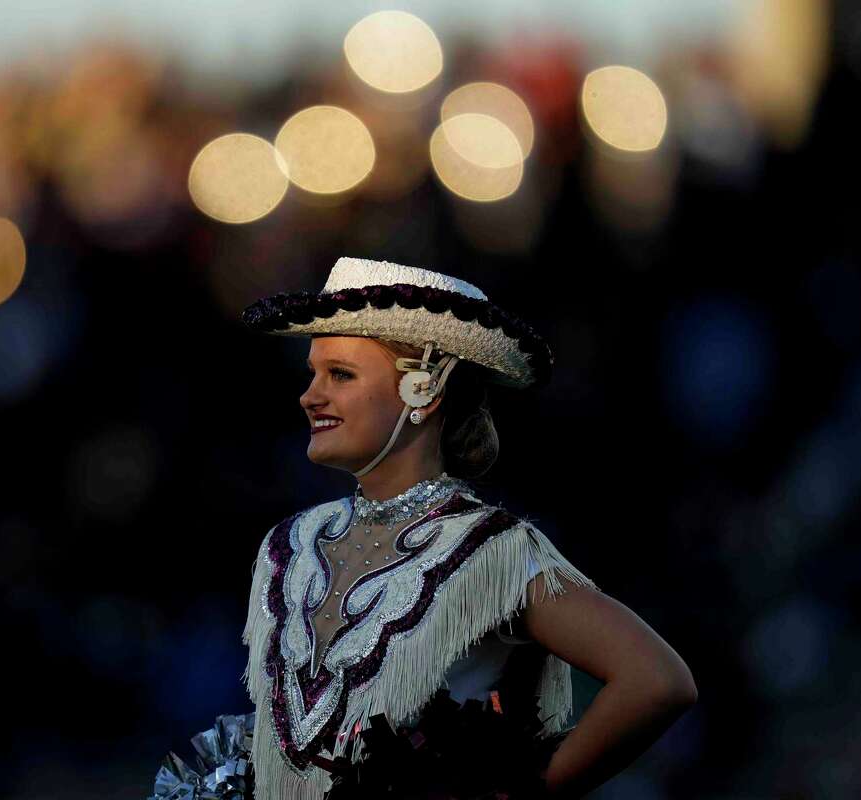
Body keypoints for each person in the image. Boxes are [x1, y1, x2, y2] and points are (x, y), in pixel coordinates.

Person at [232, 256, 697, 800]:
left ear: (424, 390)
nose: (310, 395)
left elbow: (658, 681)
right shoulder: (288, 544)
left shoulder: (491, 552)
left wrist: (516, 791)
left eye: (340, 374)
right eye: (312, 373)